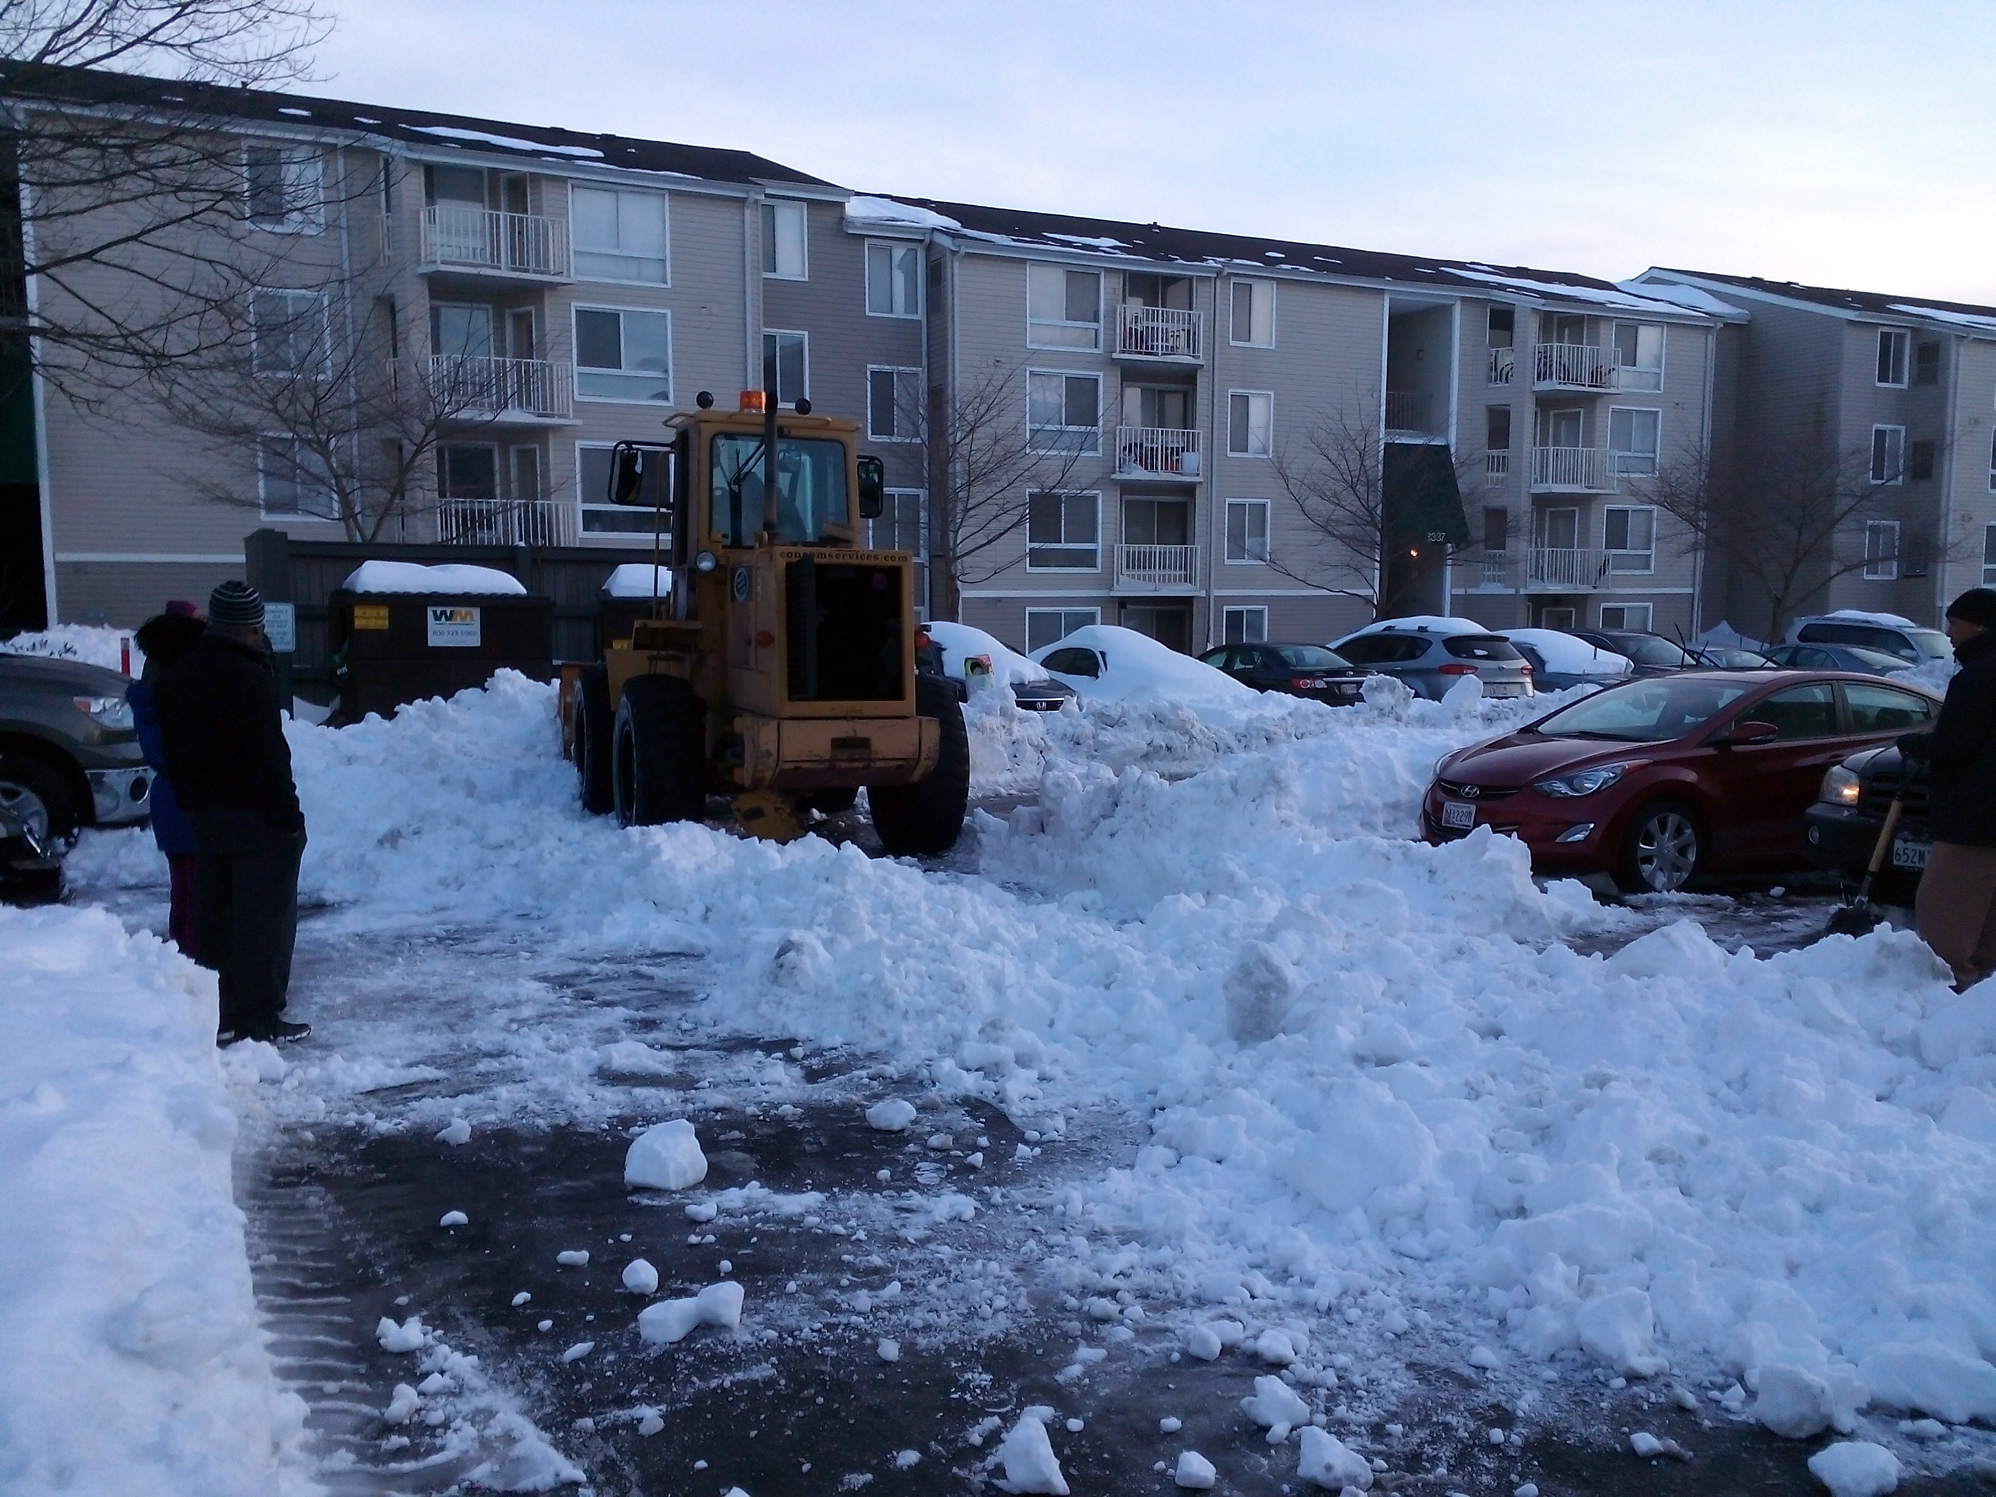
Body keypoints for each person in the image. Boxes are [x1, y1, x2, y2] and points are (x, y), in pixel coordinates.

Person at [156, 581, 310, 1044]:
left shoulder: (180, 674)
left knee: (214, 913)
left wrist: (190, 802)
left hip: (205, 814)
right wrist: (289, 818)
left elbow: (173, 751)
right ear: (252, 625)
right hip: (256, 817)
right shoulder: (248, 675)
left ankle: (216, 1012)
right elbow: (267, 756)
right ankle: (258, 1018)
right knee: (264, 921)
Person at [1900, 587, 1996, 989]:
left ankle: (1950, 989)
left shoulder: (1979, 677)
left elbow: (1954, 745)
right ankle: (1982, 990)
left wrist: (1915, 744)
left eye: (1954, 623)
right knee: (1986, 913)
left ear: (1978, 625)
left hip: (1971, 815)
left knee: (1944, 910)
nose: (1949, 632)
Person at [127, 601, 207, 951]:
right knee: (200, 891)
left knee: (184, 888)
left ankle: (182, 953)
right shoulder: (180, 695)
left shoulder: (150, 690)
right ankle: (193, 957)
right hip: (193, 803)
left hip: (169, 803)